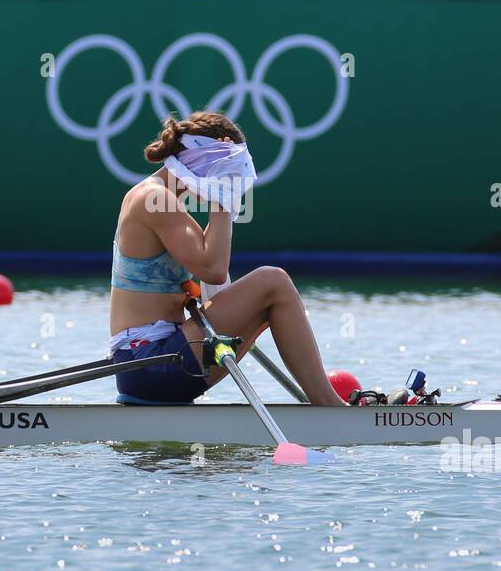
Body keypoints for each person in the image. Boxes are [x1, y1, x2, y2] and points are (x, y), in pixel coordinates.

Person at [108, 111, 347, 406]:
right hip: (147, 363)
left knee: (267, 299)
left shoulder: (162, 199)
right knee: (274, 281)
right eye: (229, 168)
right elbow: (215, 270)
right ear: (208, 157)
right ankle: (330, 406)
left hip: (154, 364)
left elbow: (209, 266)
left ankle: (325, 402)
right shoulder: (153, 200)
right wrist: (222, 198)